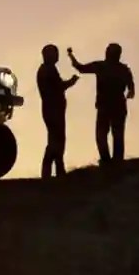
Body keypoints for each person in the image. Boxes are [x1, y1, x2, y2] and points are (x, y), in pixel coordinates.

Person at [67, 42, 135, 165]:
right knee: (115, 135)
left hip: (107, 106)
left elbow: (80, 68)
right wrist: (71, 56)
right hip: (115, 106)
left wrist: (70, 56)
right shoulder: (122, 69)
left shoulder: (103, 66)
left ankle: (109, 161)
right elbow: (131, 88)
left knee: (104, 135)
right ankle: (114, 161)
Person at [36, 44, 79, 178]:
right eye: (54, 53)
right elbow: (58, 87)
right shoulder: (47, 70)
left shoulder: (47, 69)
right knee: (56, 141)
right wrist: (71, 82)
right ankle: (50, 172)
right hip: (52, 110)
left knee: (57, 140)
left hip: (53, 110)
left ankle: (57, 170)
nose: (57, 56)